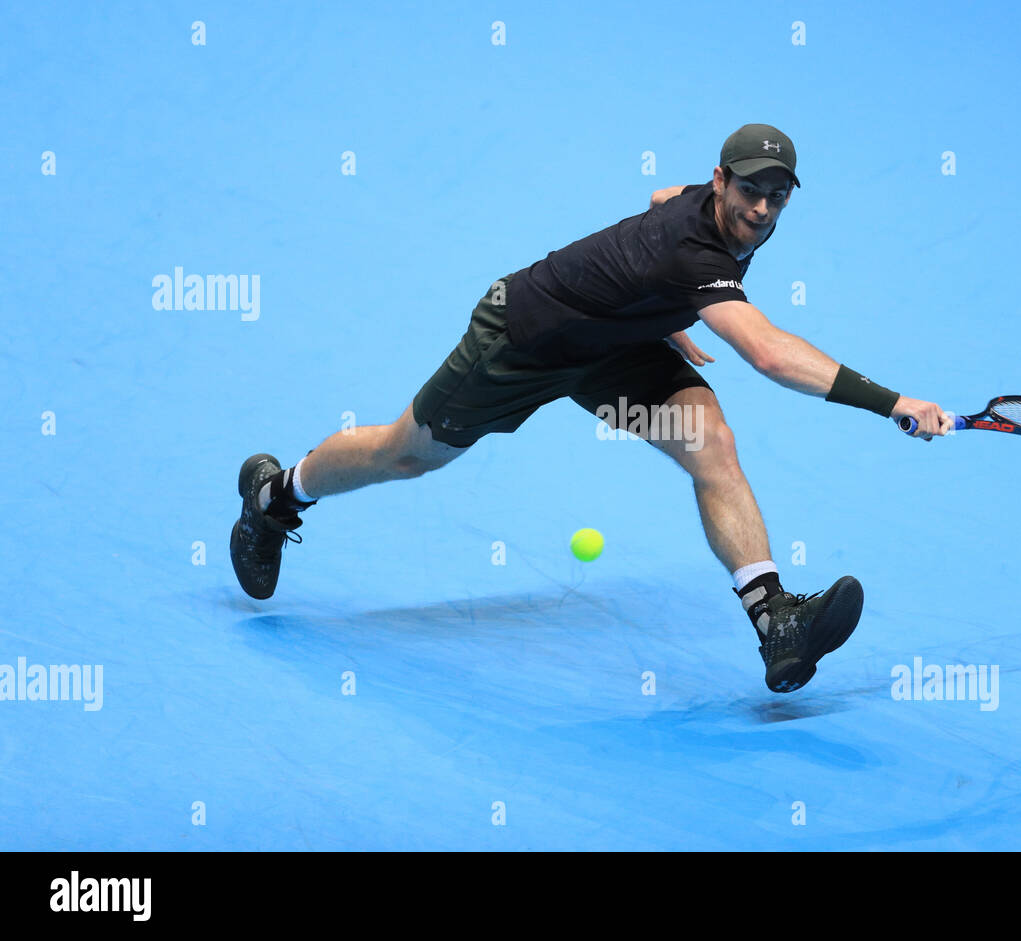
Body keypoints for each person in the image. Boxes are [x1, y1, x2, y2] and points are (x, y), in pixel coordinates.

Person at [230, 123, 953, 693]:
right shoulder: (697, 256)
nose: (760, 211)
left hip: (613, 352)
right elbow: (765, 351)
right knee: (406, 452)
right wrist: (893, 403)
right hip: (521, 340)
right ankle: (274, 494)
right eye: (749, 194)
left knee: (711, 442)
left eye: (777, 197)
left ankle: (776, 623)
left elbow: (660, 197)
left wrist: (658, 307)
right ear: (721, 180)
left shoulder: (709, 210)